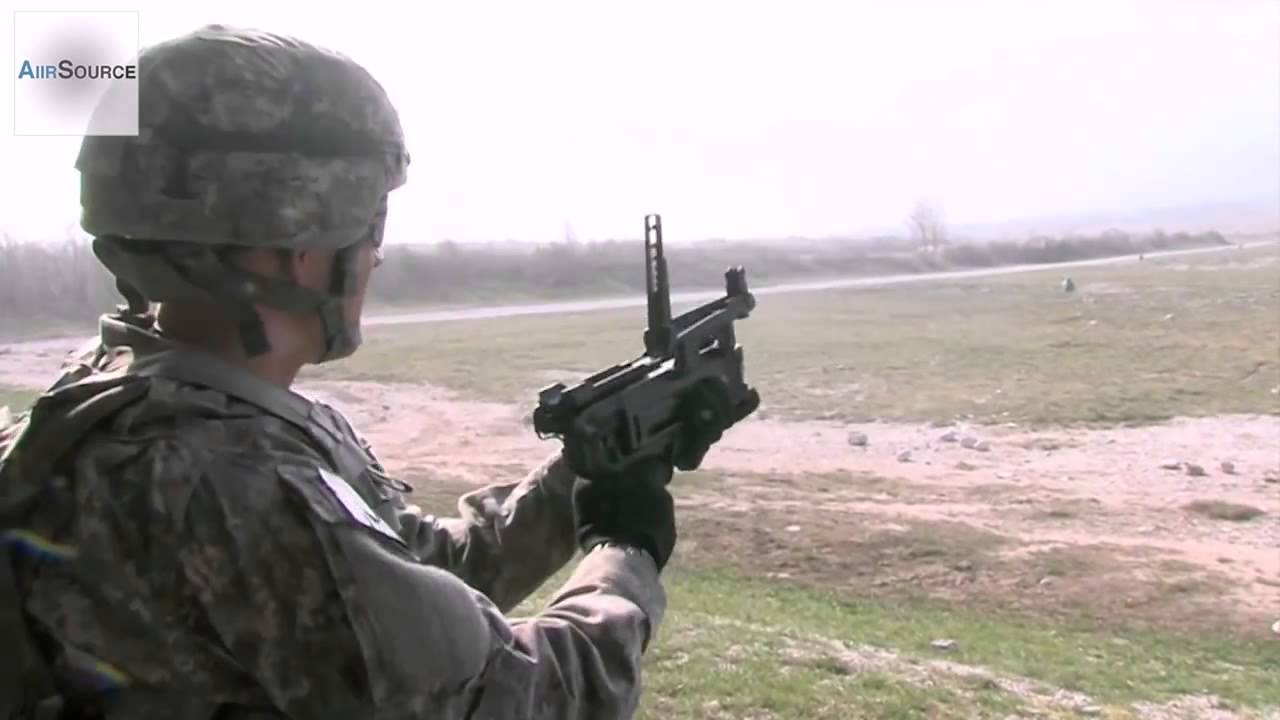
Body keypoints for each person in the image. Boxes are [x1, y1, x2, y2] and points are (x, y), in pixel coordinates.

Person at [0, 25, 725, 719]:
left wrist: (588, 466)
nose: (375, 255)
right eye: (369, 220)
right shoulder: (228, 484)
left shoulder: (122, 402)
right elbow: (520, 700)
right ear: (297, 241)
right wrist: (626, 557)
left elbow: (418, 572)